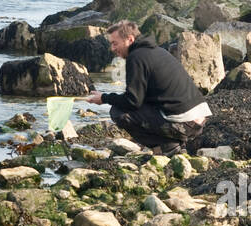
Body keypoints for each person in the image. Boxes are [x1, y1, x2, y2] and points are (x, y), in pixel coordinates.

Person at [86, 21, 212, 149]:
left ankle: (168, 145)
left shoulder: (136, 57)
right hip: (199, 120)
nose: (112, 48)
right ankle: (175, 142)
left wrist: (104, 98)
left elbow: (132, 101)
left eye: (115, 43)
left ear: (130, 39)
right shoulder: (156, 51)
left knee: (118, 112)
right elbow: (142, 97)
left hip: (186, 125)